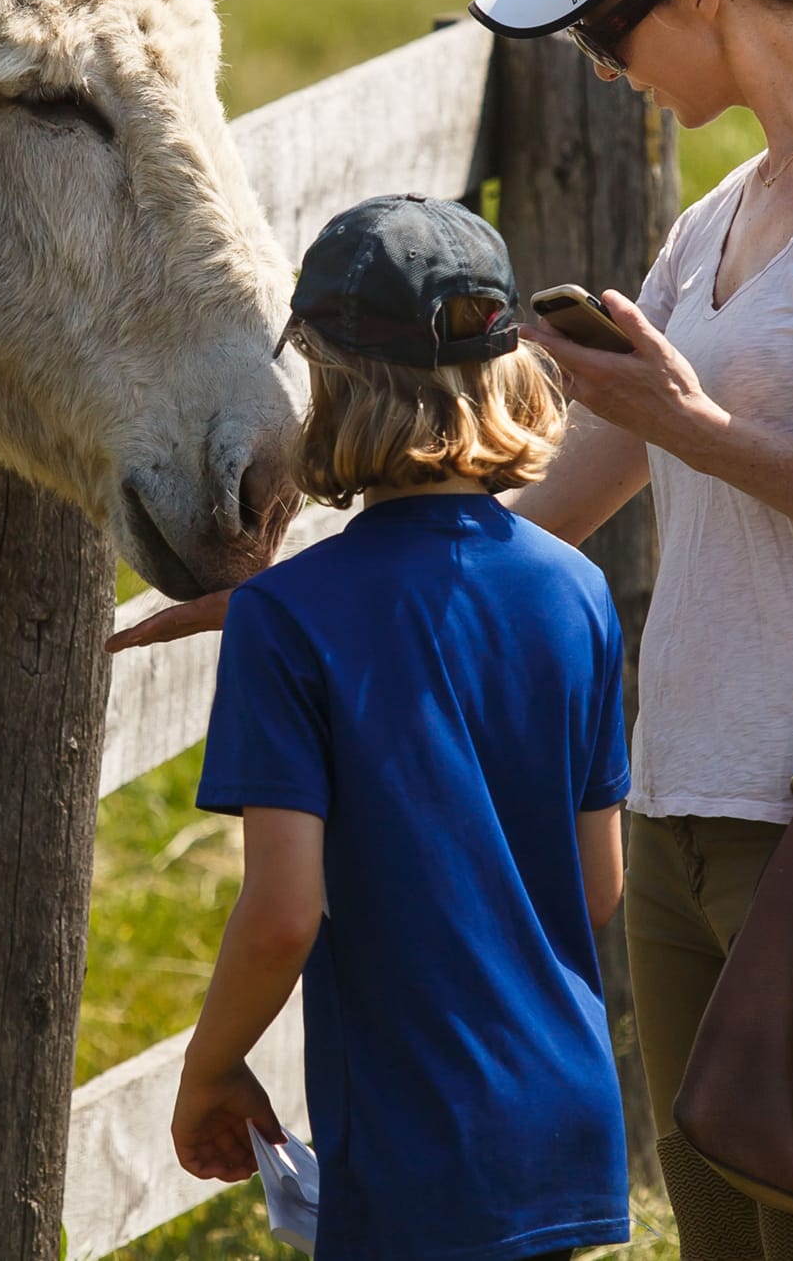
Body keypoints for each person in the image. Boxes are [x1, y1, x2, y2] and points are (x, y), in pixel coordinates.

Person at [126, 0, 793, 1261]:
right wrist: (311, 600)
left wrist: (698, 428)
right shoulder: (719, 222)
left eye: (609, 26)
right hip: (686, 814)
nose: (606, 67)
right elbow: (536, 521)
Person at [170, 193, 633, 1261]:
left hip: (415, 1139)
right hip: (563, 1114)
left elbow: (284, 911)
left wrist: (209, 1064)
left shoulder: (287, 616)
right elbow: (594, 882)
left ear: (324, 382)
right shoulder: (576, 589)